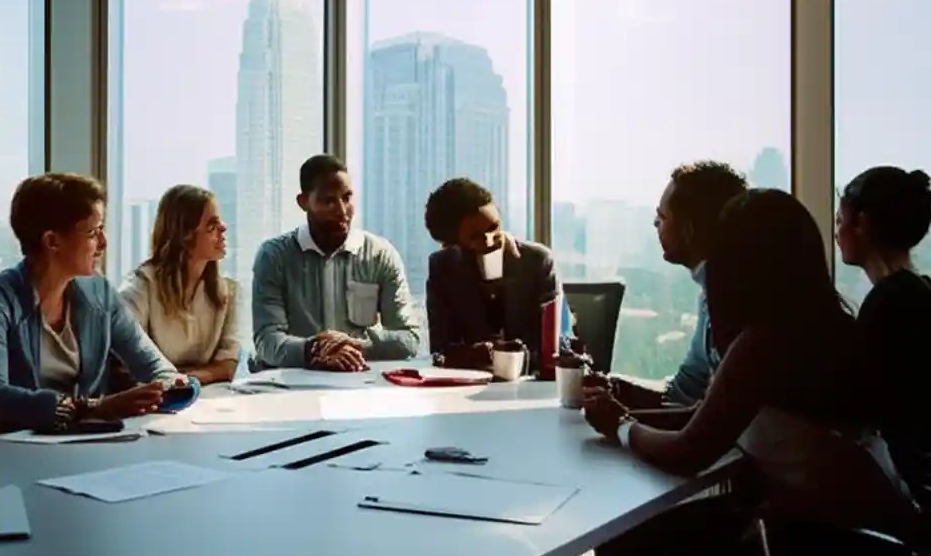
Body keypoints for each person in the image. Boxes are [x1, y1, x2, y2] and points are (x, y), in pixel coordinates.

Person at [585, 189, 918, 556]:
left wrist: (623, 427)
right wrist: (622, 412)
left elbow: (690, 451)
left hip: (839, 549)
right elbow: (712, 416)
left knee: (631, 541)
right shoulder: (821, 325)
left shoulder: (766, 344)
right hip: (867, 533)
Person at [0, 174, 186, 433]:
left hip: (79, 445)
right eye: (93, 232)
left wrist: (171, 386)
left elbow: (157, 367)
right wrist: (93, 408)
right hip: (5, 451)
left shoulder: (98, 292)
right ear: (52, 241)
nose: (103, 243)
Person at [589, 162, 748, 418]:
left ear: (689, 228)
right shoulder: (709, 294)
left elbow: (705, 420)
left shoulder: (736, 305)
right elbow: (684, 392)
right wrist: (618, 388)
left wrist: (622, 420)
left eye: (662, 217)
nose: (655, 223)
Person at [251, 155, 421, 371]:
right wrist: (313, 350)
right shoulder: (274, 256)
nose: (342, 210)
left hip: (360, 381)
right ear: (303, 202)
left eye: (347, 197)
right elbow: (267, 340)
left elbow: (409, 338)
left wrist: (351, 345)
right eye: (328, 201)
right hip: (292, 385)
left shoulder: (380, 254)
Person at [837, 166, 931, 511]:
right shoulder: (919, 291)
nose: (837, 233)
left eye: (839, 221)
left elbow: (861, 402)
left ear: (861, 223)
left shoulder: (887, 304)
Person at [423, 178, 562, 365]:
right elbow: (441, 348)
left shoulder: (536, 261)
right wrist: (474, 353)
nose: (489, 240)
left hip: (530, 375)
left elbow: (555, 342)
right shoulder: (443, 267)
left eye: (494, 227)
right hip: (469, 380)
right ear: (455, 241)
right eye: (475, 236)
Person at [120, 185, 240, 385]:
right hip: (153, 403)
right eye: (212, 225)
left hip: (206, 401)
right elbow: (124, 365)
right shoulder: (140, 288)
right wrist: (195, 376)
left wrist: (180, 380)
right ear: (185, 234)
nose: (223, 228)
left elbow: (227, 367)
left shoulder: (229, 291)